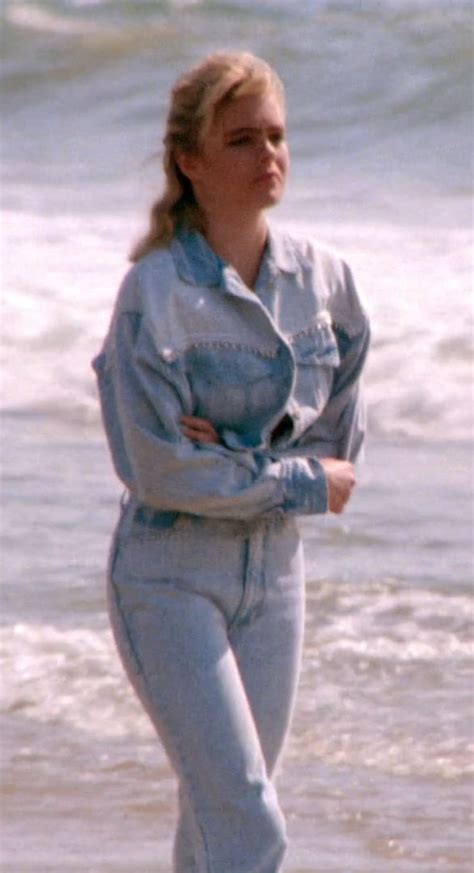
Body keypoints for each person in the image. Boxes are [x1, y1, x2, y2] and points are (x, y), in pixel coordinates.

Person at [92, 50, 370, 873]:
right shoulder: (154, 292)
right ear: (190, 160)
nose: (270, 156)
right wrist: (290, 477)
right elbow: (159, 470)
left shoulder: (327, 282)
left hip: (276, 578)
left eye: (278, 136)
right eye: (243, 139)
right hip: (168, 577)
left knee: (219, 817)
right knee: (248, 820)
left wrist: (243, 460)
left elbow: (342, 450)